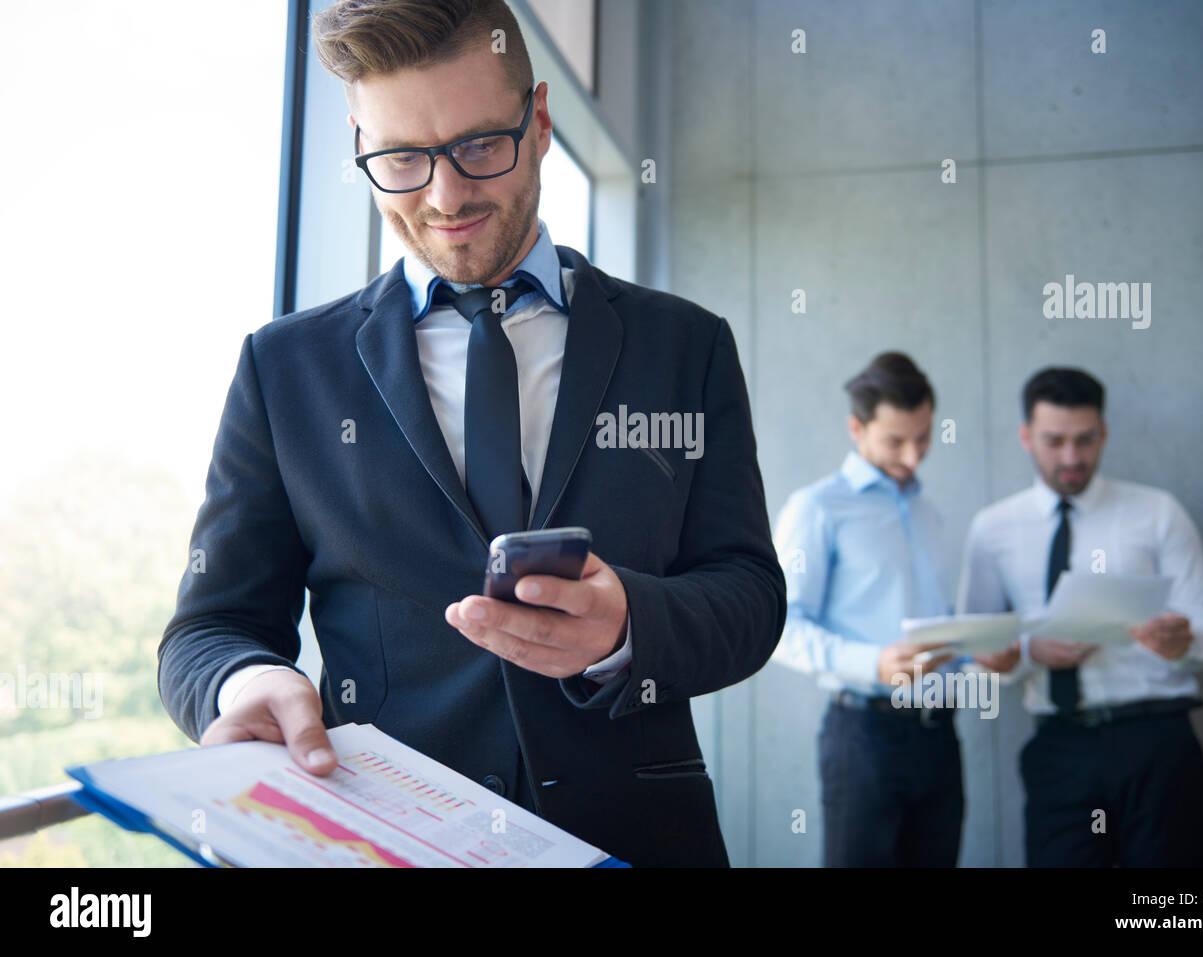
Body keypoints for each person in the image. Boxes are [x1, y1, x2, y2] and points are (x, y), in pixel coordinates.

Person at [157, 0, 785, 868]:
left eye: (478, 147)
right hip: (383, 844)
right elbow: (209, 628)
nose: (444, 197)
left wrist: (627, 624)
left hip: (639, 841)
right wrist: (249, 679)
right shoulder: (284, 368)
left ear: (538, 121)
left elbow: (750, 594)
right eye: (401, 159)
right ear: (358, 149)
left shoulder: (685, 344)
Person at [957, 367, 1203, 867]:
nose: (1071, 457)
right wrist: (1024, 655)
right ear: (1026, 437)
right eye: (1054, 440)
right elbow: (972, 657)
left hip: (1158, 742)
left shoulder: (1158, 512)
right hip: (1059, 748)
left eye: (1084, 440)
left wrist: (1184, 640)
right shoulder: (993, 529)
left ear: (1103, 432)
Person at [771, 352, 1005, 867]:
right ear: (857, 428)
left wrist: (977, 660)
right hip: (864, 738)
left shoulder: (928, 514)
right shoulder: (817, 508)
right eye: (896, 440)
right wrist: (873, 664)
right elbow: (778, 629)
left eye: (923, 437)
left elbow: (937, 632)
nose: (914, 455)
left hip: (941, 736)